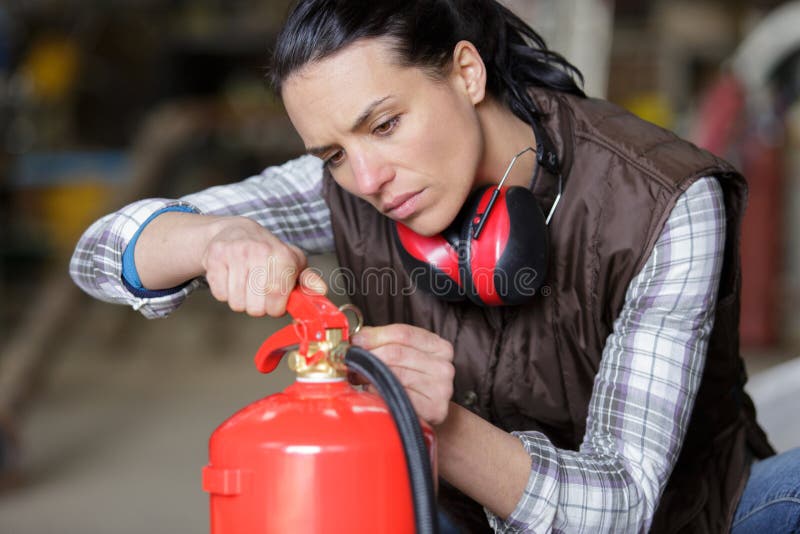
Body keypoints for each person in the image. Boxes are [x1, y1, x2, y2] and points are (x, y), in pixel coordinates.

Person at [70, 1, 800, 532]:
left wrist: (436, 426)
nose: (367, 178)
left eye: (385, 124)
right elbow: (99, 253)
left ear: (466, 71)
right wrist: (212, 237)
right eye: (333, 153)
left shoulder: (665, 202)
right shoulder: (353, 180)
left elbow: (621, 507)